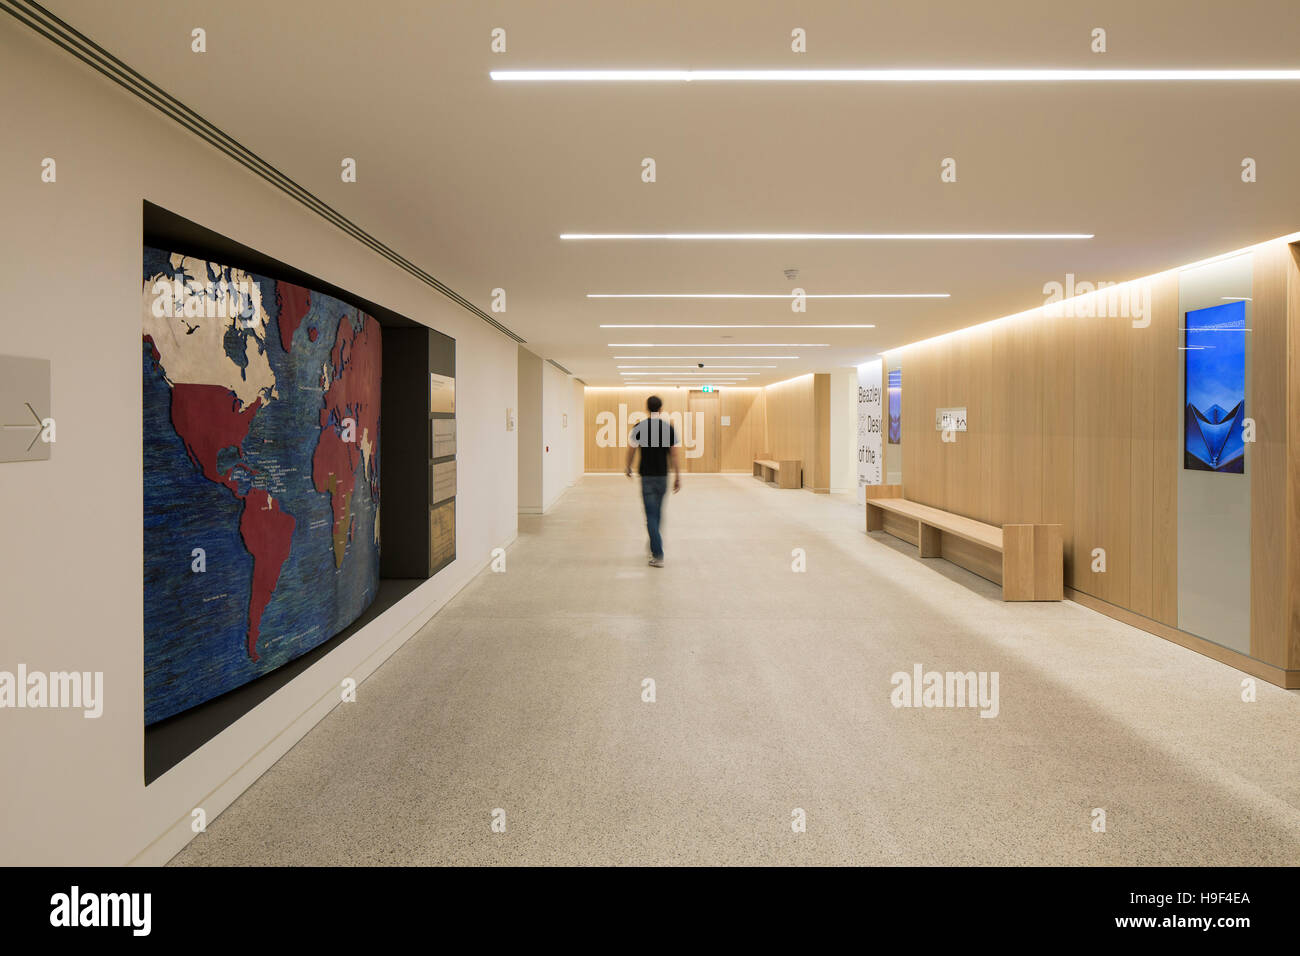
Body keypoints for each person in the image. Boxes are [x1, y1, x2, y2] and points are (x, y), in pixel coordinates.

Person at [625, 395, 681, 567]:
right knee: (657, 513)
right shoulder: (668, 428)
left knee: (651, 515)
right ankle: (654, 540)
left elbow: (631, 450)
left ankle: (657, 554)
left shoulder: (639, 427)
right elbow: (674, 454)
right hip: (663, 477)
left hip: (647, 477)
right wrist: (678, 476)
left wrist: (628, 467)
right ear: (661, 409)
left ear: (647, 409)